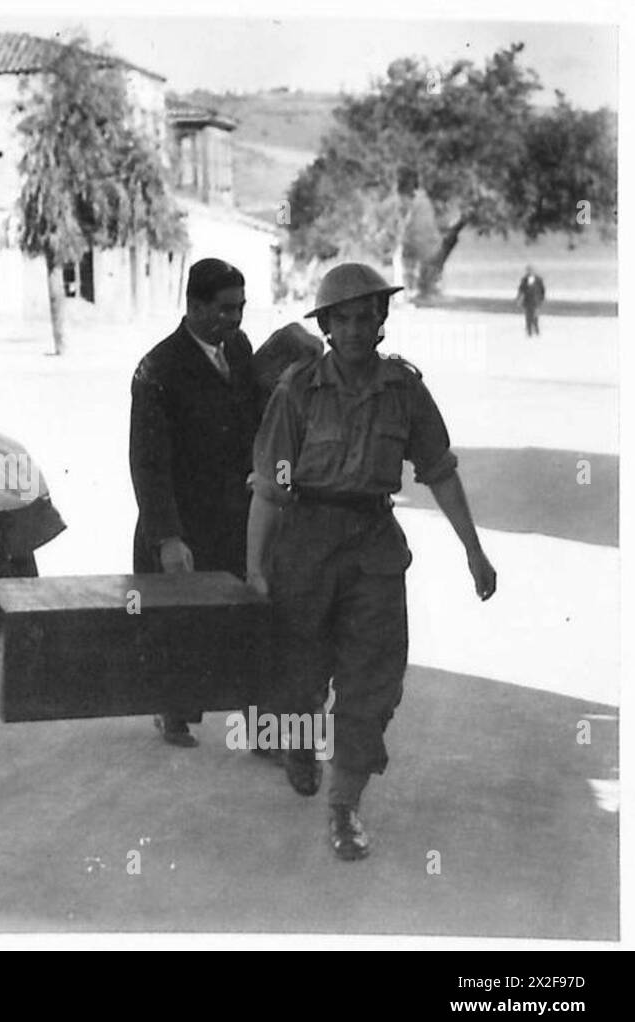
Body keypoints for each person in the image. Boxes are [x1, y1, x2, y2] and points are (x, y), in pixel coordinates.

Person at [246, 262, 497, 860]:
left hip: (373, 545)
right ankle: (298, 743)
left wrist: (474, 550)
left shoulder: (404, 390)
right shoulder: (298, 390)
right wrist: (256, 568)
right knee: (299, 669)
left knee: (373, 680)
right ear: (326, 325)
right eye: (344, 319)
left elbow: (439, 471)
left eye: (368, 316)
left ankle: (344, 808)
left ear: (382, 320)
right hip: (306, 540)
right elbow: (269, 487)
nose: (358, 329)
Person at [129, 258, 261, 748]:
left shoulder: (240, 350)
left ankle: (258, 728)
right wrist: (167, 537)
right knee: (179, 622)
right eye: (226, 309)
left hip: (235, 516)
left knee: (243, 621)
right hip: (184, 521)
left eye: (242, 308)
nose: (235, 319)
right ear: (194, 305)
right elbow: (147, 462)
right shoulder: (157, 368)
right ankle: (174, 710)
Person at [516, 266, 546, 336]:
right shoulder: (524, 279)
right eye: (528, 271)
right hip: (527, 300)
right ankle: (529, 331)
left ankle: (536, 330)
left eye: (531, 270)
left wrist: (541, 299)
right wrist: (519, 299)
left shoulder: (538, 279)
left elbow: (542, 290)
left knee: (535, 315)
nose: (529, 272)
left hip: (536, 300)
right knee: (528, 316)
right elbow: (521, 290)